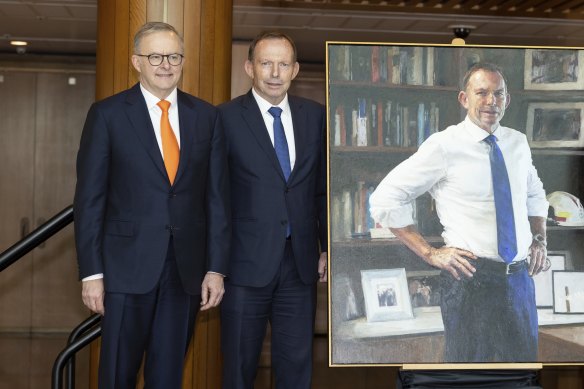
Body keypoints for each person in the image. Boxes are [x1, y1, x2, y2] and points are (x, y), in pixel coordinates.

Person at [73, 22, 229, 388]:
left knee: (168, 376)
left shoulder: (206, 117)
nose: (165, 65)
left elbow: (217, 198)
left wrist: (217, 268)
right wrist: (91, 274)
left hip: (186, 272)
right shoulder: (107, 115)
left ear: (183, 60)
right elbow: (89, 201)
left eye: (173, 56)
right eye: (155, 56)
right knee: (117, 375)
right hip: (124, 271)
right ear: (136, 61)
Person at [369, 62, 549, 362]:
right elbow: (386, 199)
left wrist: (540, 239)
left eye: (499, 93)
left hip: (519, 283)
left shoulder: (517, 143)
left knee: (521, 376)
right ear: (464, 99)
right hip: (470, 283)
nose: (491, 101)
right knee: (469, 378)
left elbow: (534, 193)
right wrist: (430, 253)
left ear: (507, 99)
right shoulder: (444, 145)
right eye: (482, 93)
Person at [218, 31, 327, 388]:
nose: (275, 72)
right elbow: (215, 197)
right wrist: (214, 266)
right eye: (266, 63)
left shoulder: (315, 117)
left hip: (299, 264)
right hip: (242, 267)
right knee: (238, 368)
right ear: (250, 67)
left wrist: (326, 246)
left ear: (295, 69)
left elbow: (321, 191)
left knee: (296, 369)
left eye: (283, 64)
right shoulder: (225, 118)